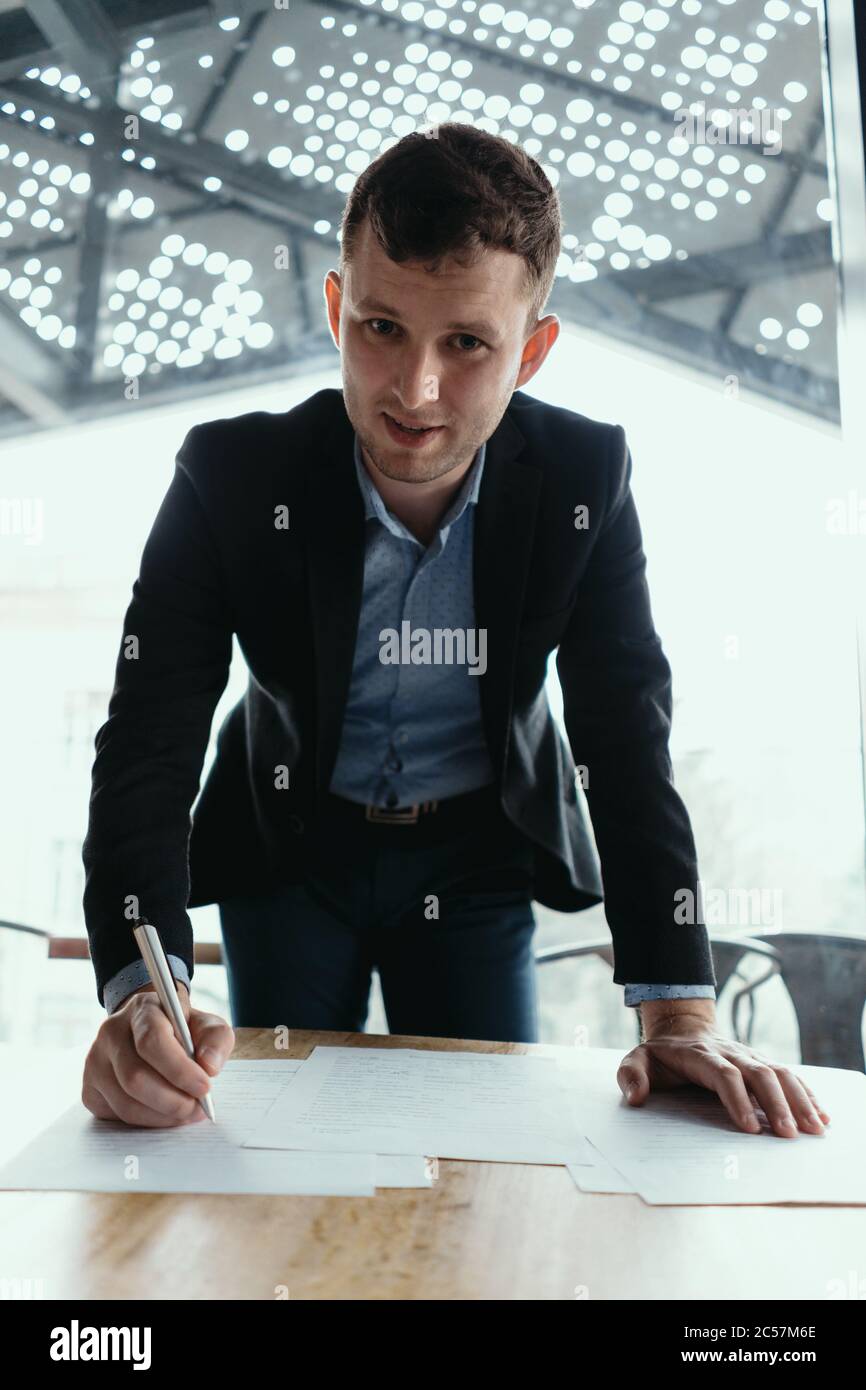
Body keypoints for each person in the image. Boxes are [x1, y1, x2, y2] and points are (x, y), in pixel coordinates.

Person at [81, 123, 828, 1138]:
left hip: (476, 856)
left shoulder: (583, 480)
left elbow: (622, 737)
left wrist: (679, 1009)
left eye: (466, 343)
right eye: (381, 328)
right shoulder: (229, 476)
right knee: (265, 1141)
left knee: (485, 1156)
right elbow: (149, 739)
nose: (414, 390)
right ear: (339, 308)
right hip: (288, 849)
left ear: (529, 351)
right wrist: (137, 992)